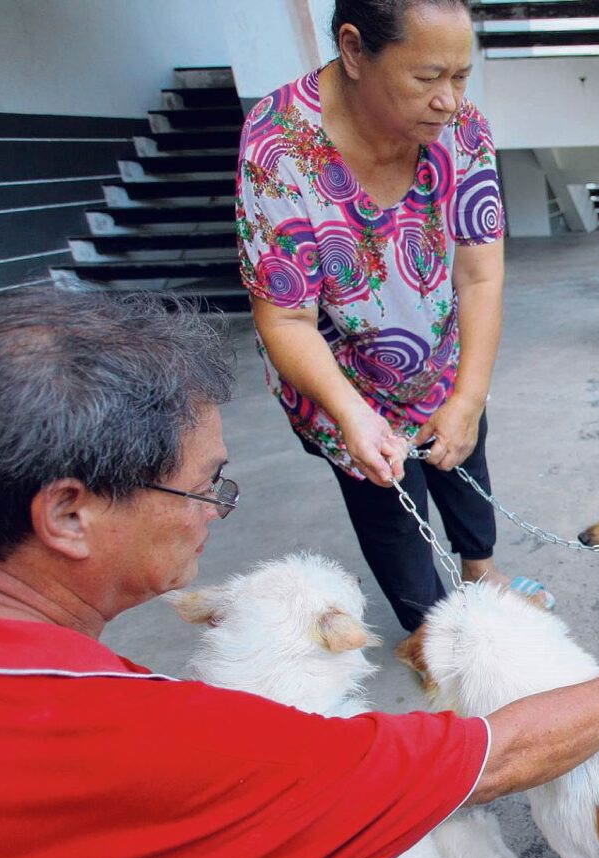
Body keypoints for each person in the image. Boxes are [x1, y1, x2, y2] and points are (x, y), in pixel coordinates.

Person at [0, 286, 599, 858]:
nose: (217, 513)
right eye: (206, 488)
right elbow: (482, 760)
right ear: (69, 513)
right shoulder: (145, 737)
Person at [236, 0, 553, 642]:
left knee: (462, 453)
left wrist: (467, 395)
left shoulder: (463, 135)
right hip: (337, 377)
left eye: (461, 77)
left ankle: (480, 570)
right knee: (387, 499)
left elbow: (478, 274)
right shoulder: (279, 145)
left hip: (436, 356)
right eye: (427, 77)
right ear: (354, 51)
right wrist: (353, 417)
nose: (449, 101)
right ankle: (436, 632)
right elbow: (289, 320)